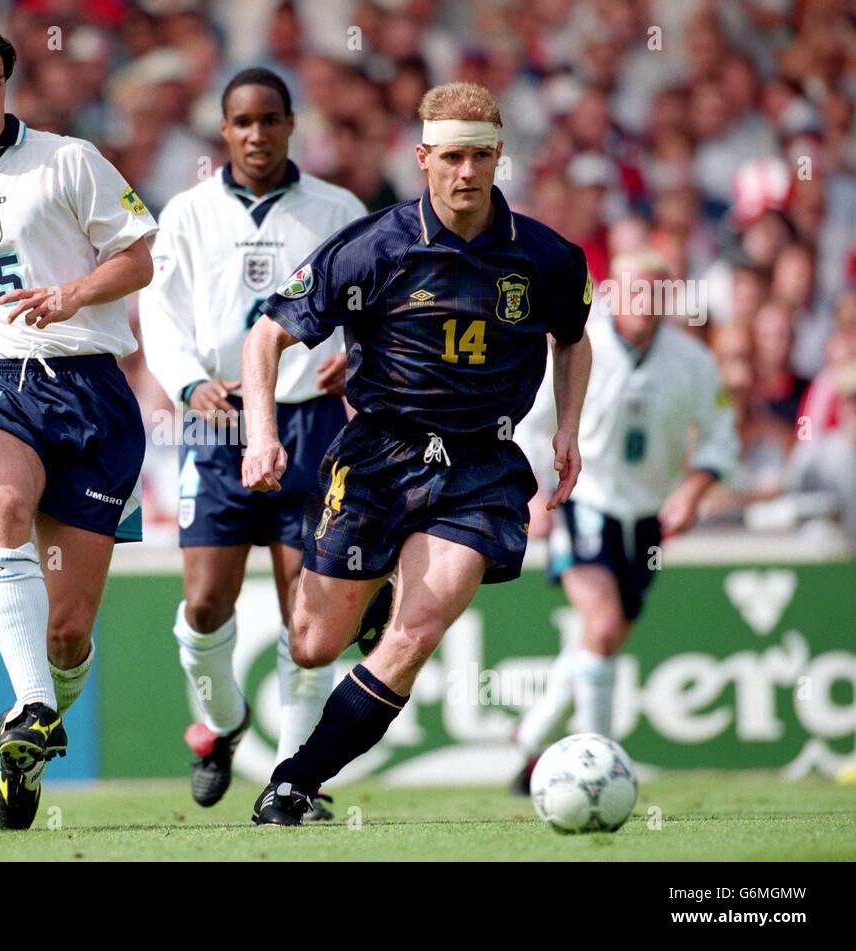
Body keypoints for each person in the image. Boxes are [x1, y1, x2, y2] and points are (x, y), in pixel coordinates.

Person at [240, 81, 593, 825]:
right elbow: (267, 334)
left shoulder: (547, 257)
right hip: (378, 455)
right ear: (424, 157)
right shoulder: (375, 245)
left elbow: (573, 336)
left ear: (501, 157)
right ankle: (367, 609)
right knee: (312, 645)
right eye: (453, 157)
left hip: (481, 467)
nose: (467, 173)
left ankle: (294, 783)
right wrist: (264, 433)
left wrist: (568, 427)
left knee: (420, 630)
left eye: (482, 157)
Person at [0, 17, 155, 830]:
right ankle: (30, 709)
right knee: (3, 510)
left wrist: (73, 294)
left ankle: (35, 732)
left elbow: (139, 257)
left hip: (91, 390)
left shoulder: (69, 160)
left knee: (70, 631)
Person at [140, 67, 366, 816]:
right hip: (219, 420)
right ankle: (222, 721)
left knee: (309, 614)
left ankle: (291, 779)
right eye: (243, 122)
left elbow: (375, 302)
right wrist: (182, 384)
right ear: (224, 131)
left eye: (270, 120)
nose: (257, 134)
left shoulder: (338, 209)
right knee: (205, 603)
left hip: (311, 421)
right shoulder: (188, 213)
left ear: (291, 123)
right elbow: (161, 312)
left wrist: (356, 355)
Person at [509, 249, 740, 790]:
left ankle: (532, 736)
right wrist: (532, 492)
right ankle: (599, 762)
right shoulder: (577, 347)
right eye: (634, 289)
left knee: (602, 638)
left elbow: (721, 436)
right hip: (583, 501)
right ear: (613, 291)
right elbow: (530, 422)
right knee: (605, 624)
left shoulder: (693, 361)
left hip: (648, 516)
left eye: (654, 291)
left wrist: (693, 489)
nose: (643, 302)